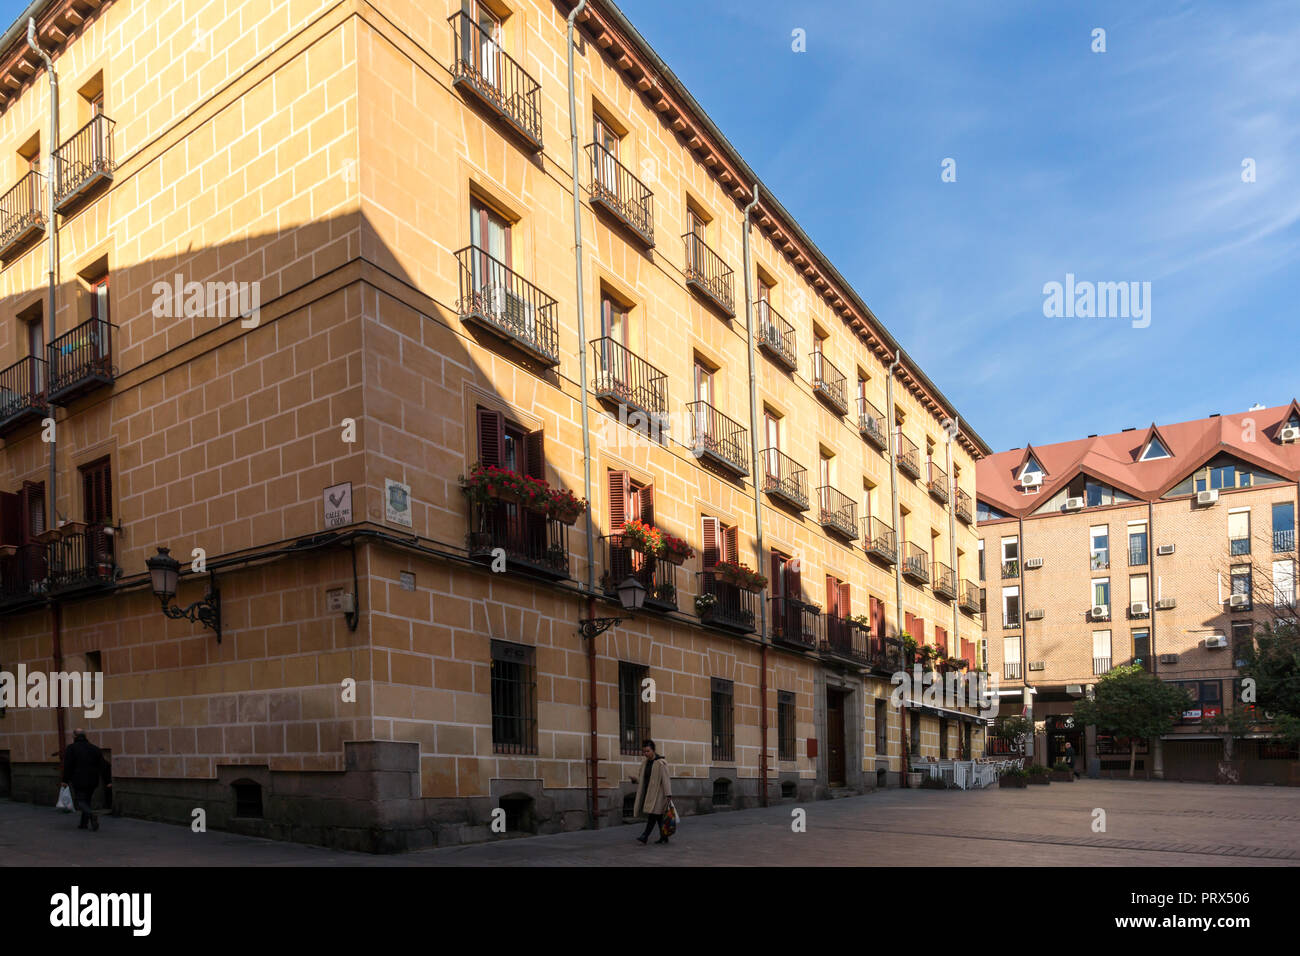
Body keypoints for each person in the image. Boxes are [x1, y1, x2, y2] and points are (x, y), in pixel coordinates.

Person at [62, 728, 108, 831]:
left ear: (74, 736)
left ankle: (91, 815)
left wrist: (65, 780)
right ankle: (83, 824)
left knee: (80, 801)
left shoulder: (71, 748)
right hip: (93, 780)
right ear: (85, 736)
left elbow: (68, 765)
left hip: (78, 779)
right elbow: (103, 765)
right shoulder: (94, 748)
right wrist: (107, 781)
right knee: (87, 800)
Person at [631, 739, 673, 845]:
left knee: (653, 815)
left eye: (648, 751)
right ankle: (664, 836)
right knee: (658, 816)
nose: (646, 754)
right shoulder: (645, 763)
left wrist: (668, 794)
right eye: (644, 751)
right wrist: (635, 780)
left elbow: (666, 779)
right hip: (649, 793)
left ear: (653, 750)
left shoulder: (660, 763)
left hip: (659, 794)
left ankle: (645, 836)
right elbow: (643, 779)